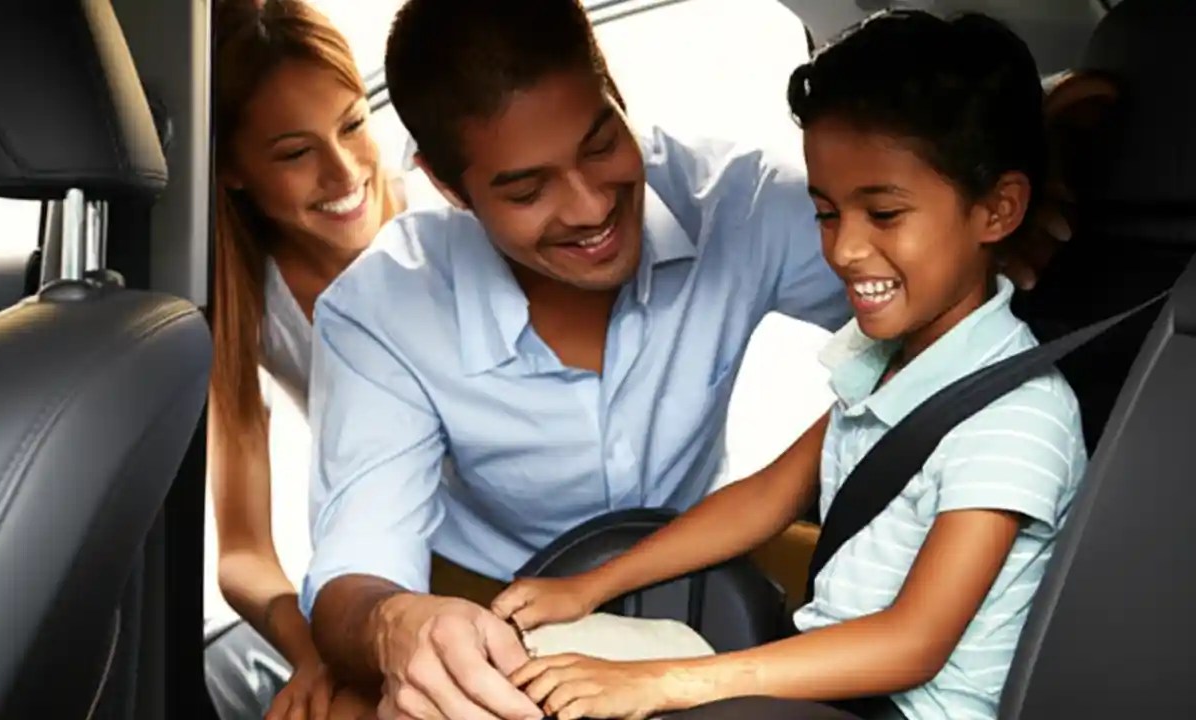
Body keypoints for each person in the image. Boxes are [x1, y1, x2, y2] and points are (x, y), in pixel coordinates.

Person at [301, 2, 1065, 718]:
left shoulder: (754, 212)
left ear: (617, 94)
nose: (590, 206)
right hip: (499, 592)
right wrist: (399, 631)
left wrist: (1069, 119)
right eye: (528, 189)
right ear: (446, 186)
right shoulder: (382, 311)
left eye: (600, 144)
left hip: (804, 639)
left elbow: (933, 220)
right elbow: (358, 573)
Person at [203, 1, 404, 718]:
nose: (344, 170)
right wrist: (316, 652)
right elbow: (243, 553)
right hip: (381, 588)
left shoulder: (448, 229)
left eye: (353, 123)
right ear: (231, 171)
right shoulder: (246, 302)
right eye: (294, 153)